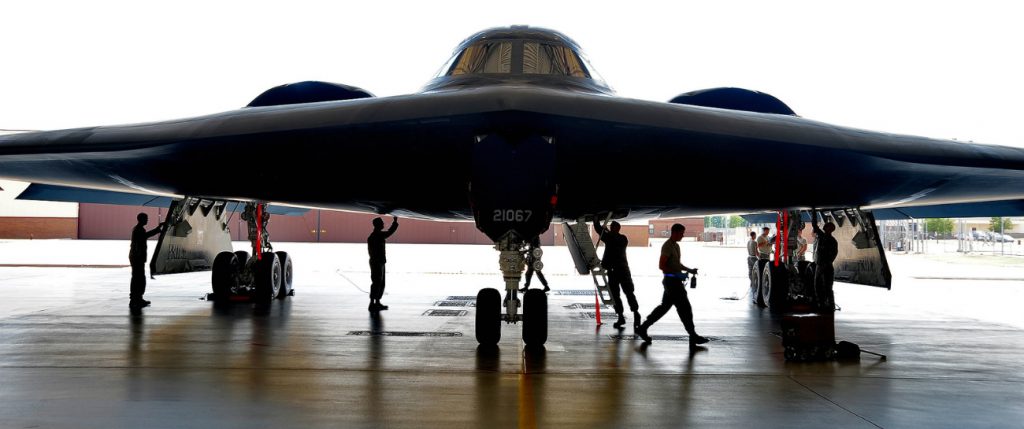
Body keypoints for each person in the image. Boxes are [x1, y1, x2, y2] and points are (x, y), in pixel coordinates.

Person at [635, 224, 709, 347]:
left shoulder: (676, 246)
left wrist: (689, 270)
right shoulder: (667, 246)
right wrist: (676, 275)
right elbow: (661, 266)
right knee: (685, 308)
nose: (683, 236)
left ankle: (643, 328)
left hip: (674, 282)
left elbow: (677, 264)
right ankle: (693, 335)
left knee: (664, 308)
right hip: (672, 283)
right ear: (674, 232)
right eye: (681, 233)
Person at [594, 219, 641, 330]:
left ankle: (626, 315)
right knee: (624, 294)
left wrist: (596, 220)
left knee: (620, 294)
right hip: (622, 271)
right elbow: (604, 234)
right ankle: (631, 314)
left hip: (616, 271)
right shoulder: (623, 239)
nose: (610, 229)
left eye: (612, 227)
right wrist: (606, 231)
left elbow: (598, 230)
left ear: (616, 228)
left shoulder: (613, 238)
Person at [129, 213, 165, 309]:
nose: (147, 220)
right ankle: (135, 299)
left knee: (138, 278)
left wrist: (158, 229)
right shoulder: (139, 230)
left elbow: (145, 236)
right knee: (138, 278)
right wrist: (158, 229)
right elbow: (145, 236)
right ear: (141, 219)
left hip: (136, 257)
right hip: (137, 258)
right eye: (146, 218)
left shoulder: (138, 229)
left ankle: (136, 298)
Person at [368, 216, 399, 312]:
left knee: (379, 283)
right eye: (382, 223)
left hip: (378, 262)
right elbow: (390, 232)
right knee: (377, 282)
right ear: (378, 225)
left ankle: (376, 302)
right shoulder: (377, 235)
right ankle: (373, 303)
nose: (383, 224)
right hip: (377, 262)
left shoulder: (374, 235)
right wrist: (395, 222)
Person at [811, 210, 838, 311]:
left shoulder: (824, 237)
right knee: (827, 286)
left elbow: (814, 226)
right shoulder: (832, 240)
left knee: (819, 285)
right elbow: (834, 254)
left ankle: (823, 303)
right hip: (826, 265)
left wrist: (813, 211)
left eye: (826, 226)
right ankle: (829, 304)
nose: (824, 226)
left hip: (823, 265)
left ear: (829, 229)